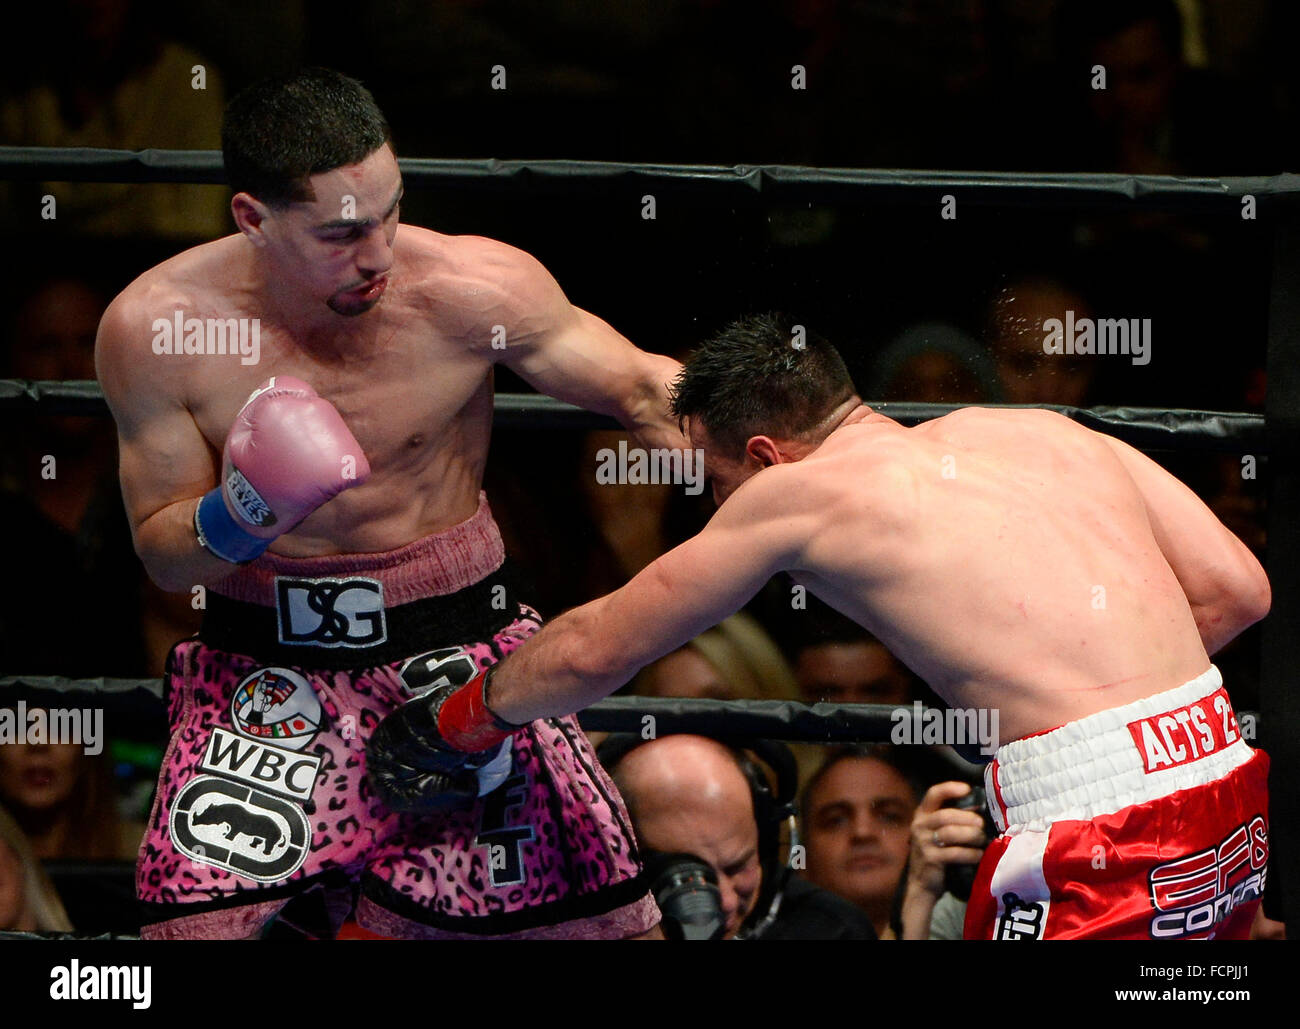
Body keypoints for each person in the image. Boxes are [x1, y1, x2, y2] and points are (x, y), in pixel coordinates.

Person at [381, 311, 1272, 940]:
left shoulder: (797, 495)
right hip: (1227, 778)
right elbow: (1239, 591)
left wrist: (458, 717)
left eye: (717, 482)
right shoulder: (1039, 429)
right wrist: (1118, 706)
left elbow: (601, 644)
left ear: (764, 456)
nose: (720, 509)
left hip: (1099, 824)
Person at [96, 67, 685, 940]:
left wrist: (784, 455)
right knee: (194, 933)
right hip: (265, 674)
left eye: (391, 212)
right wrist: (247, 510)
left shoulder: (469, 291)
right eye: (340, 234)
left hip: (458, 657)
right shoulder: (160, 329)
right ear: (252, 218)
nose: (378, 254)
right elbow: (161, 550)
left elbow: (645, 388)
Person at [604, 734, 875, 940]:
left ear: (764, 840)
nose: (727, 901)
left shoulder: (831, 931)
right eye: (688, 874)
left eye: (738, 867)